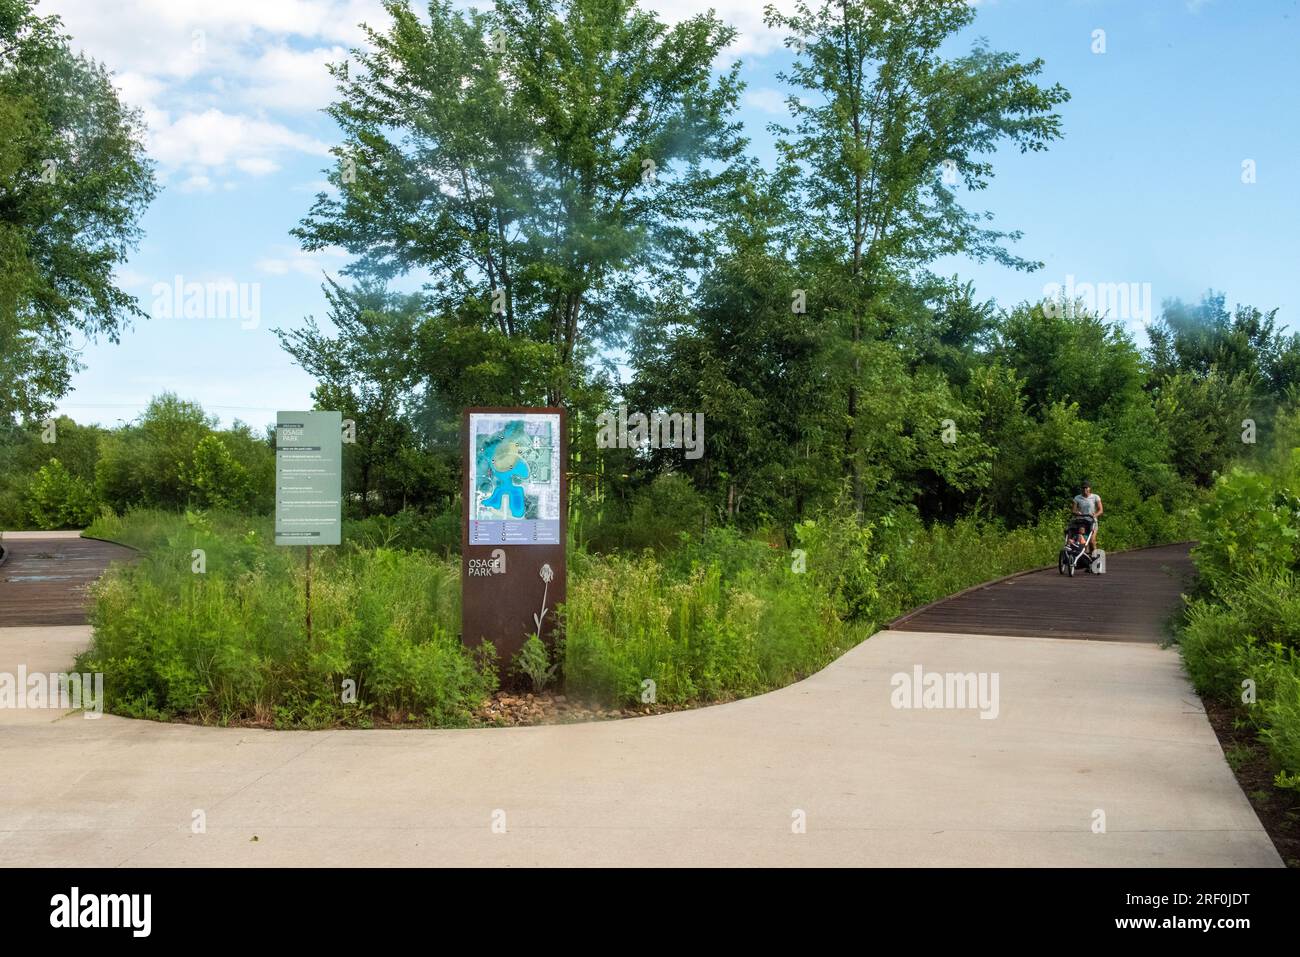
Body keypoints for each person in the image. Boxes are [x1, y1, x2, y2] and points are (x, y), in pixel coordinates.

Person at [1071, 480, 1103, 556]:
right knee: (1082, 540)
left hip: (1092, 521)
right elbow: (1073, 510)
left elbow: (1100, 510)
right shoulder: (1077, 498)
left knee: (1092, 541)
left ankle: (1095, 557)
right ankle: (1084, 557)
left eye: (1086, 488)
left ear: (1089, 488)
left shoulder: (1095, 497)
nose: (1084, 489)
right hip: (1082, 521)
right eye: (1083, 488)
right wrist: (1077, 512)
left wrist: (1095, 515)